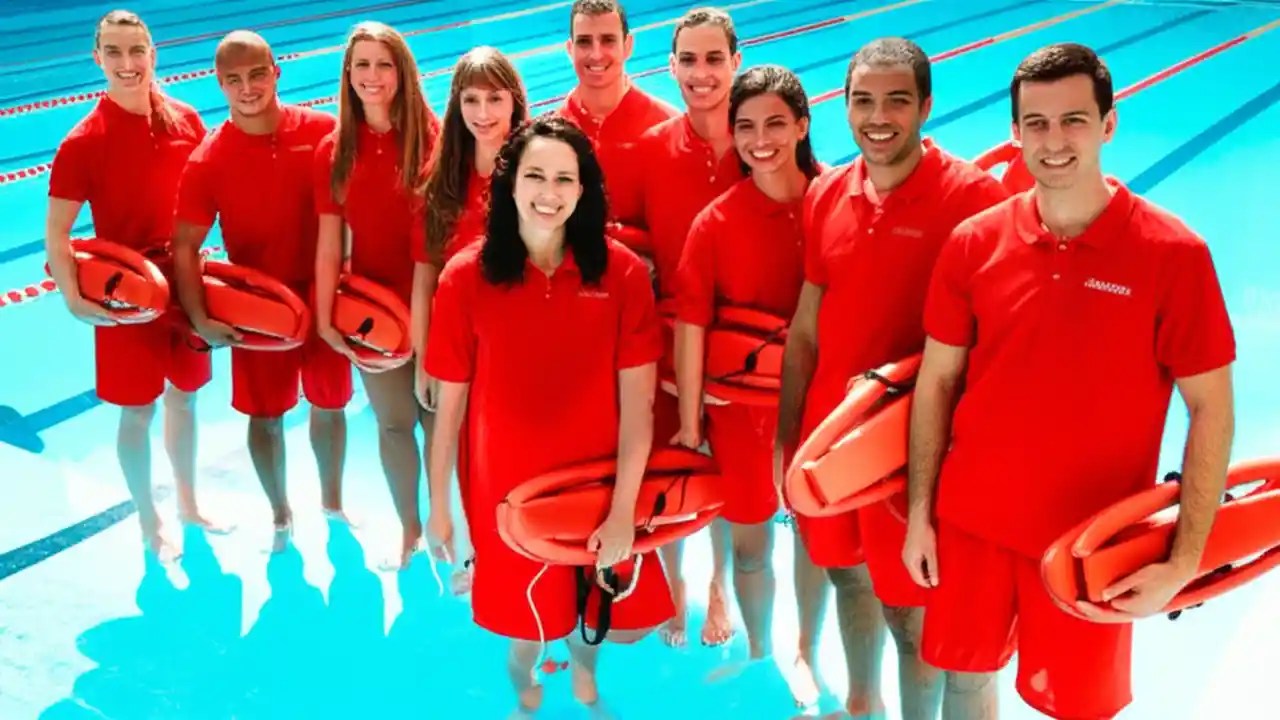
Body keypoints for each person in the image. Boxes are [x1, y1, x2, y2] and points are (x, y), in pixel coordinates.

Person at [905, 42, 1235, 720]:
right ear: (1016, 131)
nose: (1054, 141)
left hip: (1092, 542)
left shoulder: (1173, 255)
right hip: (972, 523)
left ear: (1108, 125)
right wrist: (920, 516)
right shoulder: (974, 242)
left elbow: (1212, 410)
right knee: (964, 684)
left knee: (1079, 710)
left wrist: (1183, 559)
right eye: (1037, 123)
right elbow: (936, 383)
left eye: (1074, 120)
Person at [775, 38, 1009, 719]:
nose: (879, 118)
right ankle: (861, 703)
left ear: (926, 107)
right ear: (843, 106)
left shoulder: (974, 199)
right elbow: (806, 332)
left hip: (915, 455)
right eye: (863, 101)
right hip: (834, 442)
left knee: (913, 621)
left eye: (897, 101)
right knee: (849, 578)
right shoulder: (826, 194)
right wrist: (787, 443)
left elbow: (996, 346)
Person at [423, 115, 674, 718]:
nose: (549, 191)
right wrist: (439, 510)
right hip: (503, 493)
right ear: (509, 184)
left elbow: (639, 409)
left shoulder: (621, 275)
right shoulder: (465, 277)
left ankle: (583, 680)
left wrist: (622, 513)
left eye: (565, 178)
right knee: (524, 632)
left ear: (583, 190)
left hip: (595, 485)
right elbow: (447, 411)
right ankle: (527, 691)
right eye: (535, 175)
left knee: (604, 622)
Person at [45, 10, 226, 561]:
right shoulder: (84, 142)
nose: (128, 64)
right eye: (115, 53)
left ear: (153, 53)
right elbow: (56, 234)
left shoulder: (187, 121)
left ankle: (188, 502)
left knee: (186, 400)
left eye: (137, 51)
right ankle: (149, 520)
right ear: (98, 60)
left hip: (184, 282)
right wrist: (76, 300)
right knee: (138, 410)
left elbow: (209, 204)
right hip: (126, 294)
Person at [173, 31, 352, 553]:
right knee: (264, 416)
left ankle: (333, 504)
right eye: (234, 79)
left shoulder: (323, 132)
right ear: (219, 83)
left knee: (330, 404)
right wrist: (201, 316)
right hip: (259, 311)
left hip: (322, 299)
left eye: (256, 74)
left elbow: (355, 214)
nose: (247, 88)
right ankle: (280, 515)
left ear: (277, 71)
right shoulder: (209, 159)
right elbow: (184, 244)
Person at [611, 4, 750, 653]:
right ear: (669, 67)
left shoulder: (761, 144)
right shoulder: (649, 151)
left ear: (736, 62)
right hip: (671, 342)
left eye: (713, 58)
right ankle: (677, 588)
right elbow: (621, 247)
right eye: (688, 59)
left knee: (725, 474)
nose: (701, 72)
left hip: (744, 352)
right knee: (673, 470)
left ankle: (720, 585)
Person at [671, 64, 819, 665]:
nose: (762, 139)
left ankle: (807, 648)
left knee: (819, 543)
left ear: (803, 125)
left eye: (776, 124)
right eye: (748, 126)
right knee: (752, 550)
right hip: (738, 419)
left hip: (817, 406)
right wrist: (688, 424)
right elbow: (691, 330)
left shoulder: (835, 201)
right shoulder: (716, 223)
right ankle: (761, 653)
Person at [312, 21, 439, 568]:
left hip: (435, 305)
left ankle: (446, 527)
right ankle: (410, 527)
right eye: (361, 65)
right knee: (393, 423)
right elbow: (326, 242)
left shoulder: (434, 139)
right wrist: (323, 319)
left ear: (402, 72)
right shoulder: (335, 151)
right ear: (347, 75)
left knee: (439, 422)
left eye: (383, 64)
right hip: (372, 313)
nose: (371, 76)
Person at [415, 45, 530, 590]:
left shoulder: (534, 169)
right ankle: (476, 552)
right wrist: (422, 357)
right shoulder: (442, 178)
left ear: (515, 101)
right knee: (464, 452)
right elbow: (425, 272)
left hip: (520, 343)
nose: (484, 112)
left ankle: (527, 549)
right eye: (472, 100)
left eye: (495, 98)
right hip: (461, 348)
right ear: (457, 105)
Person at [557, 0, 677, 254]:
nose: (596, 54)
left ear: (628, 46)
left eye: (608, 40)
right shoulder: (551, 132)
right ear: (570, 49)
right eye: (584, 42)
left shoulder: (668, 126)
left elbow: (679, 234)